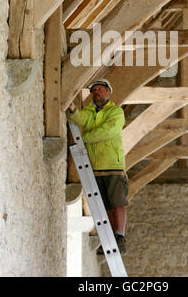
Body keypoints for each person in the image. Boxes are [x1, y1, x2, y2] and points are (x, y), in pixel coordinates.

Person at [67, 79, 128, 254]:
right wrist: (73, 110)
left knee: (117, 202)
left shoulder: (116, 112)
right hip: (95, 166)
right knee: (104, 205)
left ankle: (120, 236)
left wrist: (84, 139)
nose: (97, 93)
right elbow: (82, 117)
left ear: (109, 92)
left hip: (112, 164)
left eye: (100, 89)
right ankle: (110, 239)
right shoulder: (90, 111)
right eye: (94, 91)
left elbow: (109, 130)